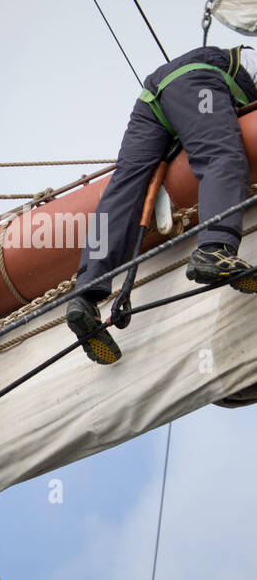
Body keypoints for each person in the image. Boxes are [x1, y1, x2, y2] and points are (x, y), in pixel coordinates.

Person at [66, 45, 257, 365]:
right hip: (197, 82)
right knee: (221, 155)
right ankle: (215, 248)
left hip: (152, 98)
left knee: (123, 190)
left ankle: (84, 295)